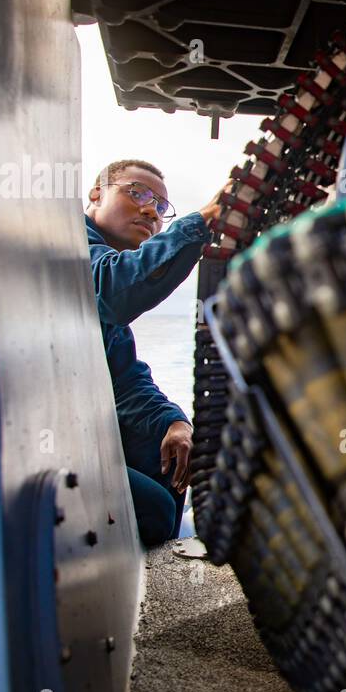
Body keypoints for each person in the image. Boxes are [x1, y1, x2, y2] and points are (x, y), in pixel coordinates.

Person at [84, 159, 224, 546]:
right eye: (138, 193)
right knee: (157, 511)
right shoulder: (69, 244)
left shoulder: (98, 270)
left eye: (161, 208)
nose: (151, 210)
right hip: (29, 447)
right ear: (97, 193)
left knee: (169, 459)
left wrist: (175, 422)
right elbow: (116, 290)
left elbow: (125, 382)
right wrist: (200, 223)